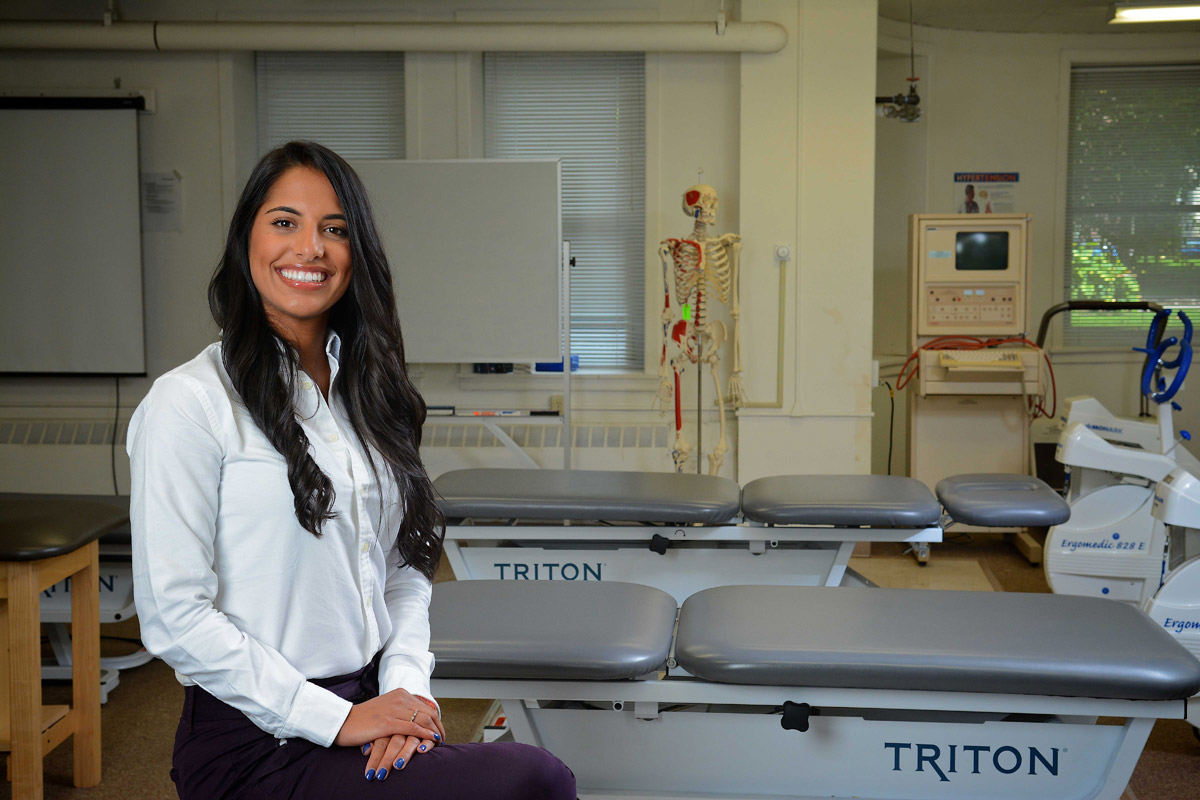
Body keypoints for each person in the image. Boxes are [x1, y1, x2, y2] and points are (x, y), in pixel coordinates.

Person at [128, 141, 577, 799]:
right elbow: (174, 617)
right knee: (533, 780)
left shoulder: (369, 395)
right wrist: (337, 719)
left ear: (355, 252)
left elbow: (404, 567)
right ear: (246, 239)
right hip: (259, 743)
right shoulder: (191, 402)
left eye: (334, 230)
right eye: (285, 222)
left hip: (371, 709)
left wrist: (402, 691)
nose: (309, 247)